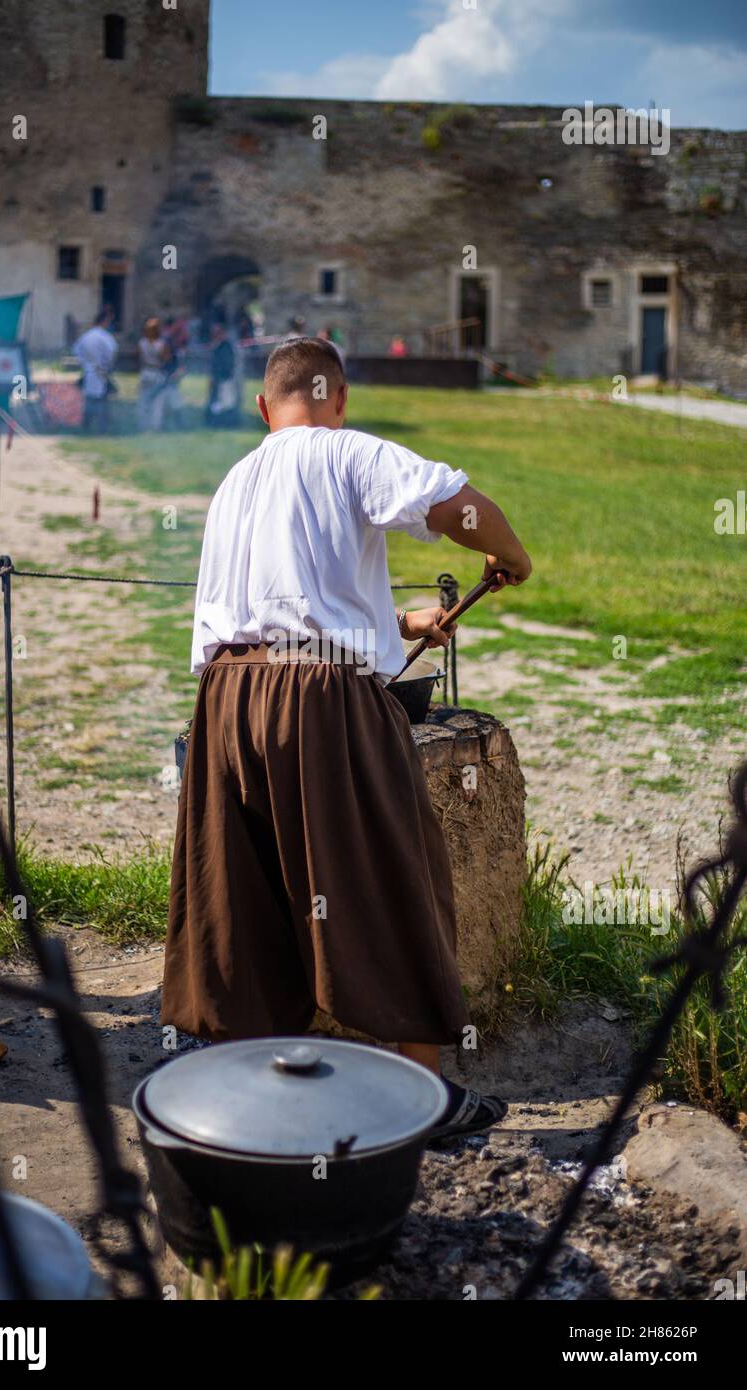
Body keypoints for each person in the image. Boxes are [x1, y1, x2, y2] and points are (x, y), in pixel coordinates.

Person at [161, 336, 533, 1141]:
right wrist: (510, 553)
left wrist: (397, 624)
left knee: (242, 893)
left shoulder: (235, 481)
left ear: (266, 407)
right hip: (320, 701)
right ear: (339, 398)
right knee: (395, 872)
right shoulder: (345, 452)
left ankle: (250, 1098)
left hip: (227, 700)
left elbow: (283, 604)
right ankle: (423, 1099)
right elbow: (457, 505)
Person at [73, 306, 117, 433]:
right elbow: (111, 353)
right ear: (104, 321)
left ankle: (87, 426)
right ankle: (101, 428)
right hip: (101, 372)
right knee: (101, 402)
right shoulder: (105, 337)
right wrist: (106, 366)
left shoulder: (86, 336)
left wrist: (85, 363)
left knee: (89, 401)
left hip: (88, 372)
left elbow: (77, 351)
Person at [137, 317, 171, 432]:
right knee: (157, 402)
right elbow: (166, 359)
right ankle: (155, 426)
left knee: (144, 400)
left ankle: (143, 425)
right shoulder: (162, 344)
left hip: (146, 372)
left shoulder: (142, 343)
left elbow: (139, 358)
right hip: (157, 372)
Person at [205, 321, 239, 426]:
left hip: (225, 379)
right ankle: (215, 423)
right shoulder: (216, 346)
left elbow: (226, 364)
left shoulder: (226, 346)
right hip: (217, 379)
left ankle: (228, 424)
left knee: (227, 403)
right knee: (216, 402)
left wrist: (219, 377)